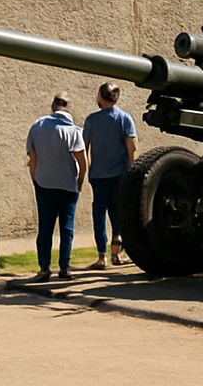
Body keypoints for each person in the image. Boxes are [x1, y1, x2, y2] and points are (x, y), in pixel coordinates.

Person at [26, 90, 87, 282]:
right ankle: (65, 267)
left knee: (45, 227)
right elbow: (81, 158)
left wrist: (34, 176)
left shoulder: (38, 126)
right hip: (68, 183)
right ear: (68, 108)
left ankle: (44, 267)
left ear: (53, 106)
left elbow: (32, 155)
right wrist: (81, 178)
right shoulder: (74, 130)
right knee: (66, 227)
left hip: (44, 182)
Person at [82, 81, 137, 269]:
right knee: (117, 212)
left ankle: (101, 256)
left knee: (99, 214)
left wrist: (86, 169)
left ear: (100, 97)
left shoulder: (91, 119)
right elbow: (132, 147)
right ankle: (116, 252)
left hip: (98, 175)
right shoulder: (124, 118)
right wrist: (131, 170)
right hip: (120, 173)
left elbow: (84, 147)